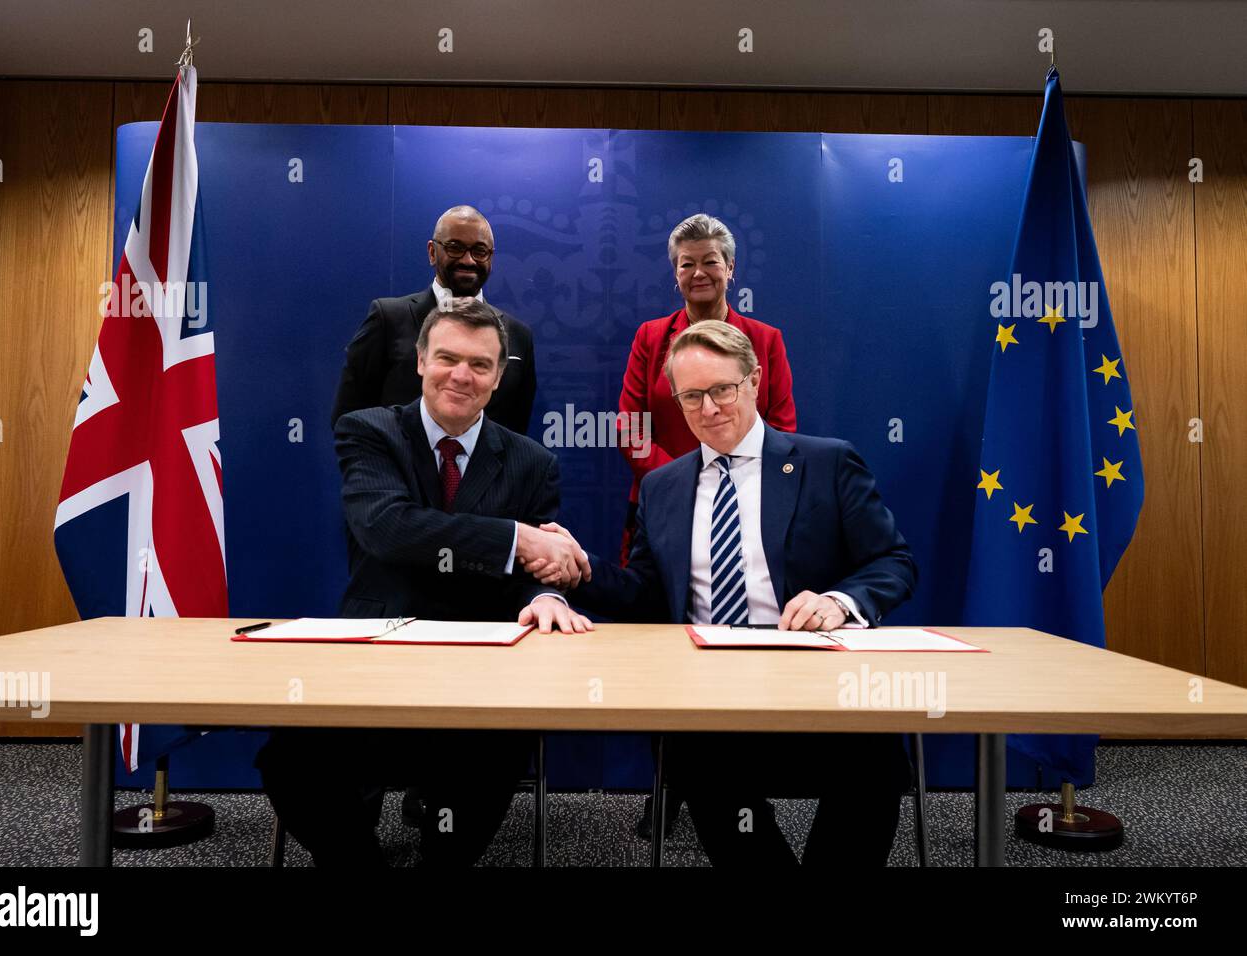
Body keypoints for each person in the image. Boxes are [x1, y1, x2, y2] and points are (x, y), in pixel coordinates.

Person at [531, 320, 917, 866]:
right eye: (691, 396)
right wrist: (581, 570)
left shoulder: (826, 462)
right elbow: (645, 594)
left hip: (818, 677)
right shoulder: (663, 487)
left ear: (754, 381)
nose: (708, 408)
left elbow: (893, 562)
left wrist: (839, 601)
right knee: (697, 756)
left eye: (722, 390)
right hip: (710, 689)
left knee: (875, 756)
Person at [257, 298, 591, 867]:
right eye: (447, 358)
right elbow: (388, 528)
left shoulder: (533, 462)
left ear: (499, 376)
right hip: (372, 658)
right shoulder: (369, 431)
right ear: (419, 361)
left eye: (480, 365)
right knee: (291, 760)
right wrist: (517, 539)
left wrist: (548, 592)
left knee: (497, 747)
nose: (461, 375)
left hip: (482, 670)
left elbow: (535, 570)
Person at [616, 213, 797, 836]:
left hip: (750, 513)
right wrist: (685, 480)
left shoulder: (765, 340)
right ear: (675, 275)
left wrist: (727, 474)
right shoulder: (649, 337)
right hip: (664, 517)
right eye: (686, 264)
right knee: (662, 652)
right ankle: (669, 786)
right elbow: (632, 426)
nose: (698, 272)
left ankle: (740, 787)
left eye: (709, 262)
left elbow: (786, 429)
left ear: (730, 271)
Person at [332, 205, 536, 434]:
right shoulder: (388, 319)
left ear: (491, 257)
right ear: (432, 252)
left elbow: (517, 436)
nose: (468, 260)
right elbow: (348, 419)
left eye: (480, 251)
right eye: (455, 248)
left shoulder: (518, 335)